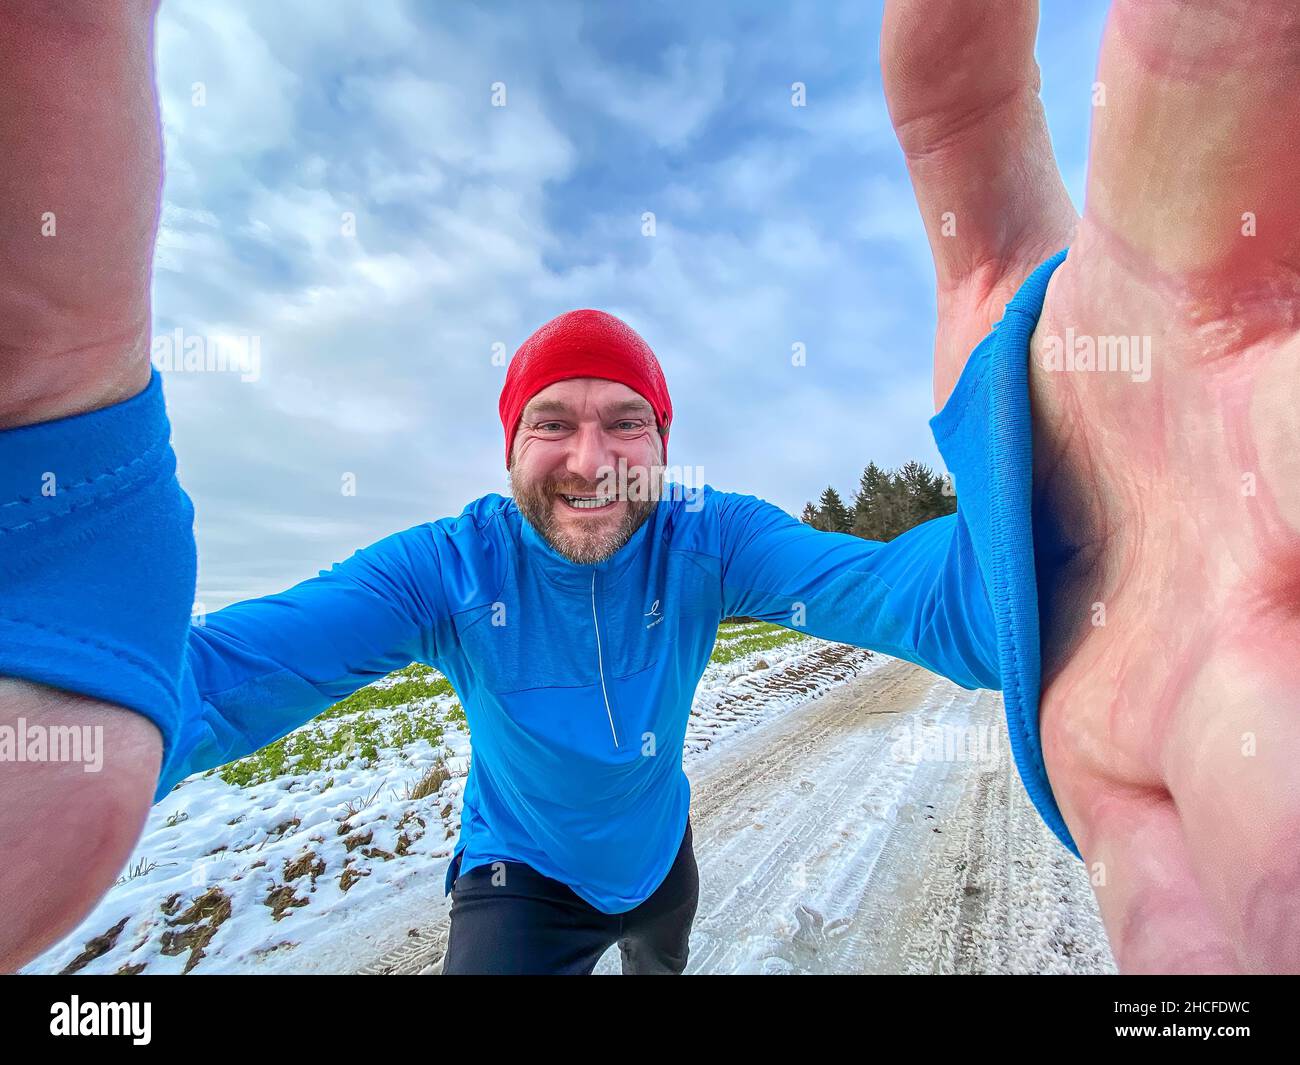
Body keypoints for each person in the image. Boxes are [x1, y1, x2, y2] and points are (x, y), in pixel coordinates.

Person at [1, 0, 1297, 976]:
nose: (590, 454)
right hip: (522, 884)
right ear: (508, 445)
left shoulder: (706, 540)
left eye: (628, 420)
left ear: (666, 444)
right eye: (552, 421)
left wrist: (1088, 529)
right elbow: (229, 676)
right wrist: (79, 686)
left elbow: (912, 597)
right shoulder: (447, 573)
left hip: (662, 860)